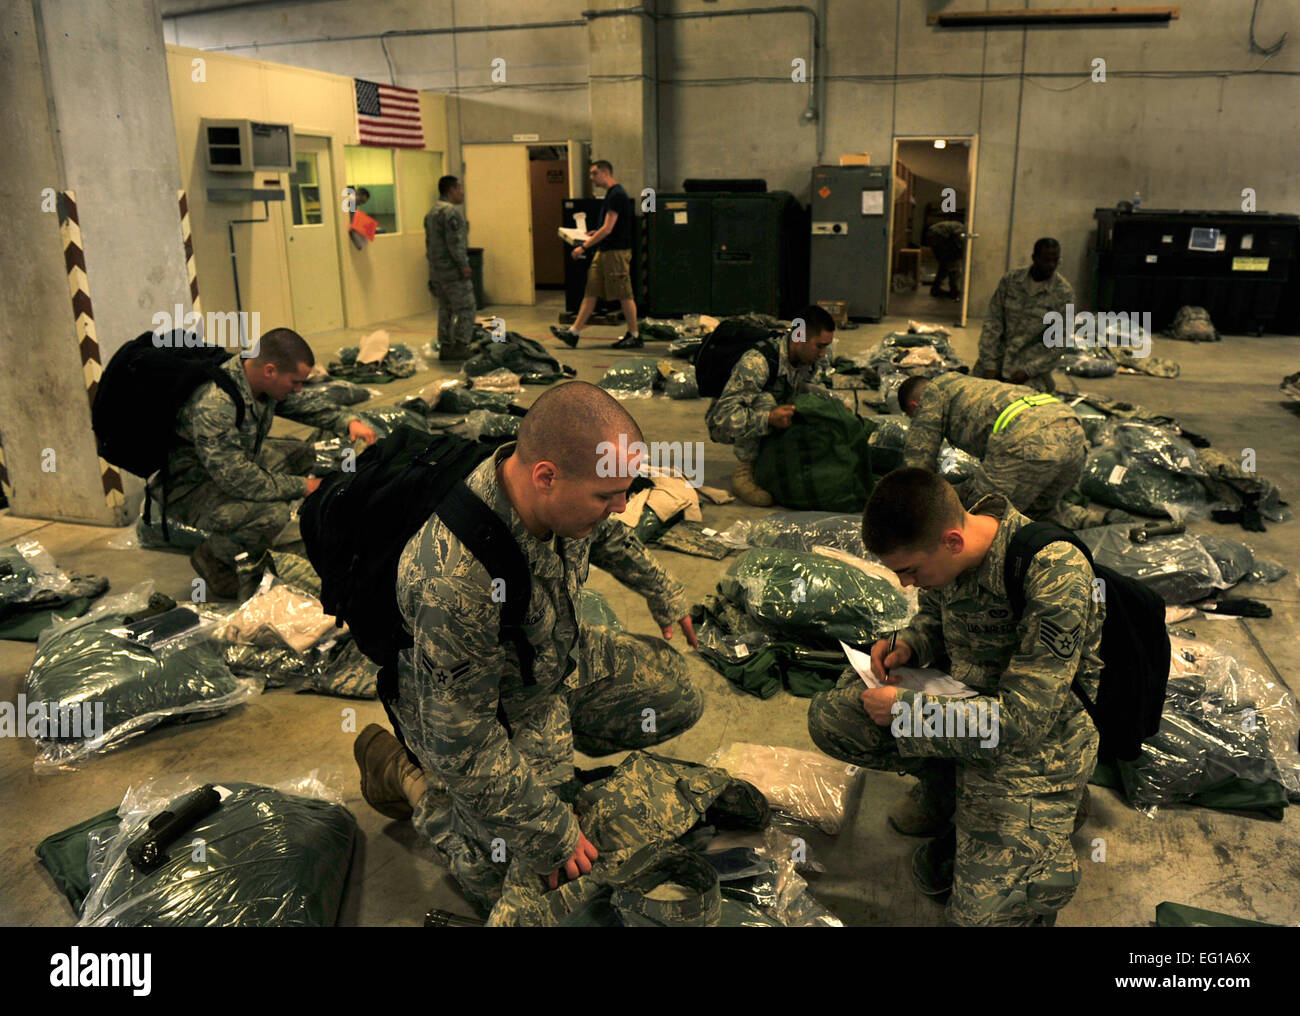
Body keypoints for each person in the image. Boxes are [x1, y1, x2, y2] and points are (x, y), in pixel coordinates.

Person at [352, 381, 705, 916]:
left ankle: (551, 777)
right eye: (606, 496)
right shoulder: (453, 579)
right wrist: (553, 832)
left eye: (624, 493)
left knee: (676, 693)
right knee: (524, 884)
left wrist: (661, 589)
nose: (619, 508)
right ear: (545, 477)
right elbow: (464, 742)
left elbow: (604, 534)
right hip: (475, 717)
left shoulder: (570, 494)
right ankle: (407, 776)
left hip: (550, 668)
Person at [806, 468, 1102, 926]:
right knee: (834, 716)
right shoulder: (952, 555)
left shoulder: (1054, 573)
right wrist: (910, 643)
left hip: (1037, 744)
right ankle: (951, 789)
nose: (906, 584)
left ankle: (1049, 831)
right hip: (964, 707)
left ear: (951, 542)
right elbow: (939, 621)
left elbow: (1023, 722)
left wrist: (907, 713)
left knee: (975, 919)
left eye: (909, 571)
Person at [155, 327, 377, 598]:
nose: (297, 389)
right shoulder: (215, 404)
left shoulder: (257, 380)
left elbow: (304, 404)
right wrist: (305, 487)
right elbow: (238, 479)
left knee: (300, 454)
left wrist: (348, 421)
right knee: (273, 515)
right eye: (294, 382)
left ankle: (252, 538)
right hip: (190, 489)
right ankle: (214, 558)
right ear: (270, 370)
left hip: (225, 467)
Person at [897, 373, 1091, 526]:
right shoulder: (962, 383)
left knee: (979, 515)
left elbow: (919, 455)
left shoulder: (931, 392)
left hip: (1030, 439)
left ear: (914, 406)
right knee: (1037, 512)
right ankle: (1092, 521)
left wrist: (913, 504)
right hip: (1074, 432)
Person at [704, 304, 838, 507]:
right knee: (765, 401)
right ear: (799, 338)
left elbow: (808, 388)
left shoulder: (809, 359)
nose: (823, 353)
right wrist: (768, 419)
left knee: (818, 399)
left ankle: (771, 458)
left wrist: (833, 404)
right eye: (819, 346)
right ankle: (744, 470)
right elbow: (722, 417)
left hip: (777, 406)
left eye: (826, 346)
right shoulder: (757, 363)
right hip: (726, 421)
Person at [551, 161, 639, 349]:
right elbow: (606, 227)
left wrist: (584, 247)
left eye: (594, 173)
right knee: (591, 291)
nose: (591, 178)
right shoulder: (610, 195)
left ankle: (634, 334)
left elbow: (608, 228)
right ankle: (574, 333)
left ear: (606, 172)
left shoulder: (617, 194)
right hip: (604, 251)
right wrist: (594, 233)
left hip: (615, 253)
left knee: (624, 293)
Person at [976, 238, 1074, 392]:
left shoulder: (1063, 293)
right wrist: (989, 364)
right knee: (973, 394)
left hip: (1029, 368)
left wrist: (1027, 371)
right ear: (1034, 258)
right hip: (997, 359)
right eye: (1046, 260)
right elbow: (993, 322)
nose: (1051, 266)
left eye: (1055, 261)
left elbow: (1058, 342)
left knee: (1022, 403)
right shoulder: (1011, 281)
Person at [425, 175, 476, 361]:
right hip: (452, 271)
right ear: (451, 190)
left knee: (445, 308)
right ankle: (462, 345)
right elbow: (455, 243)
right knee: (467, 308)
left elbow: (429, 244)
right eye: (459, 188)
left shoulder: (431, 213)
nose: (462, 192)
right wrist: (464, 265)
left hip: (437, 271)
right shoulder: (451, 213)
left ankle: (446, 346)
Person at [924, 220, 966, 299]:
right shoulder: (962, 230)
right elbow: (956, 239)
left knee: (944, 264)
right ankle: (953, 290)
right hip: (940, 236)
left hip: (933, 234)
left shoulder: (958, 227)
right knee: (952, 264)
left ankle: (936, 288)